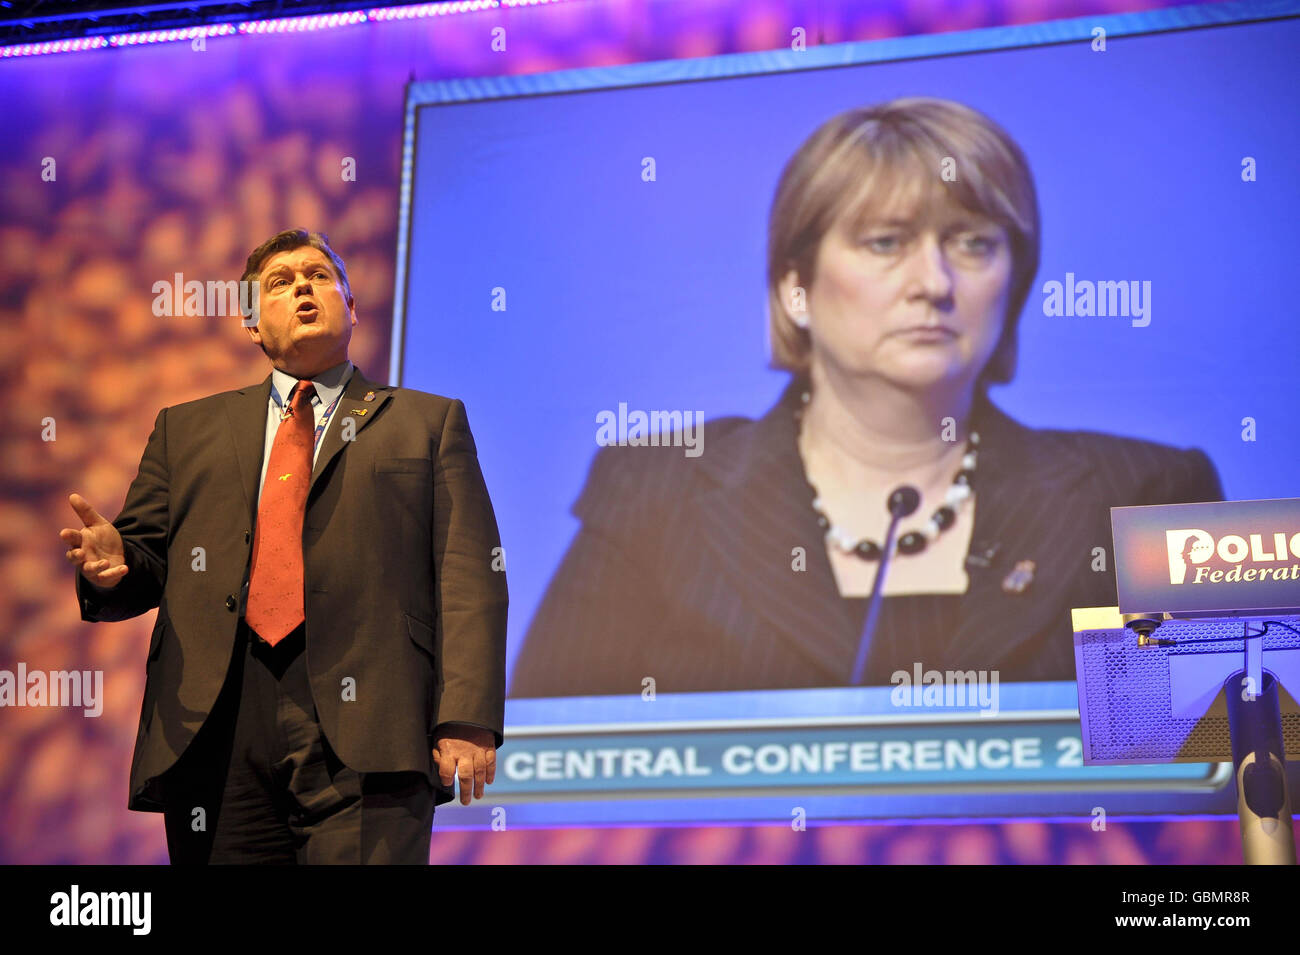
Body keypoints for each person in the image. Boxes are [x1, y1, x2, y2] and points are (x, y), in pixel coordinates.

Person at [509, 97, 1222, 698]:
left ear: (1015, 281)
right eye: (886, 242)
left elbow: (1236, 792)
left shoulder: (1143, 501)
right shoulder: (655, 495)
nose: (935, 282)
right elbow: (535, 793)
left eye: (973, 244)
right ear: (796, 287)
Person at [61, 229, 508, 864]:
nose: (302, 285)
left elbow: (469, 575)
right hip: (215, 728)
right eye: (279, 282)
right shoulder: (186, 429)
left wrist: (464, 714)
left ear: (351, 309)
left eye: (320, 276)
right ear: (251, 324)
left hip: (372, 724)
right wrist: (116, 564)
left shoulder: (427, 423)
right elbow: (145, 561)